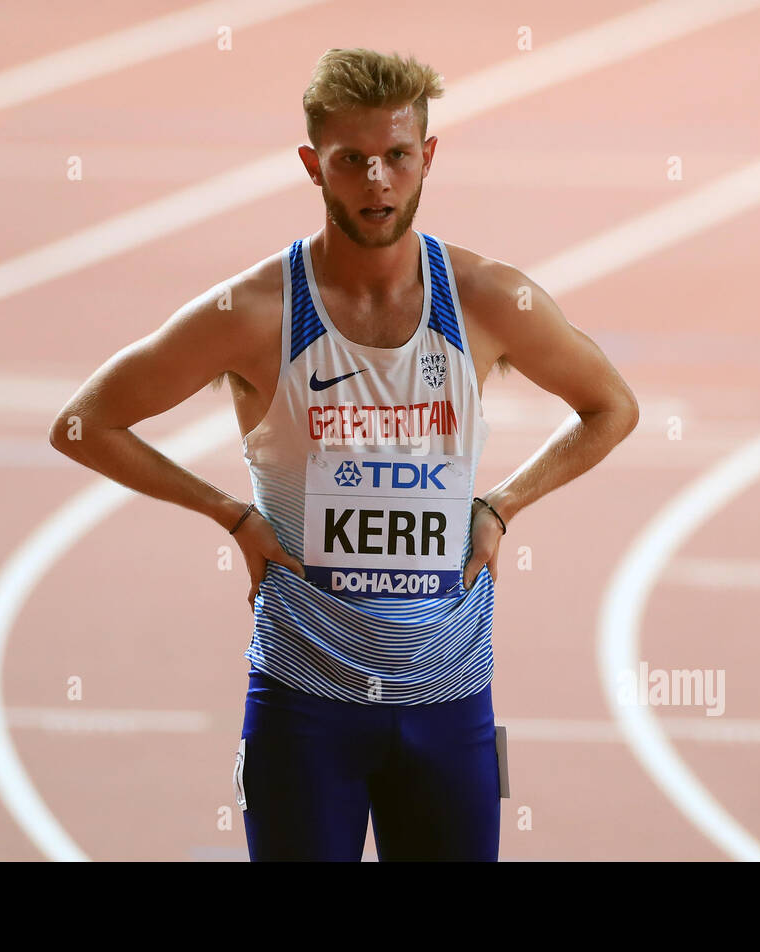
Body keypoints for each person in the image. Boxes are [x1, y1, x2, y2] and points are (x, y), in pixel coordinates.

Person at [49, 48, 638, 861]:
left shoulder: (489, 300)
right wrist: (230, 515)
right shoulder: (254, 312)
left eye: (397, 156)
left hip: (449, 698)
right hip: (306, 705)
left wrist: (501, 504)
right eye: (351, 160)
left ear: (427, 156)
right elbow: (84, 423)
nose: (376, 182)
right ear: (312, 166)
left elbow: (612, 407)